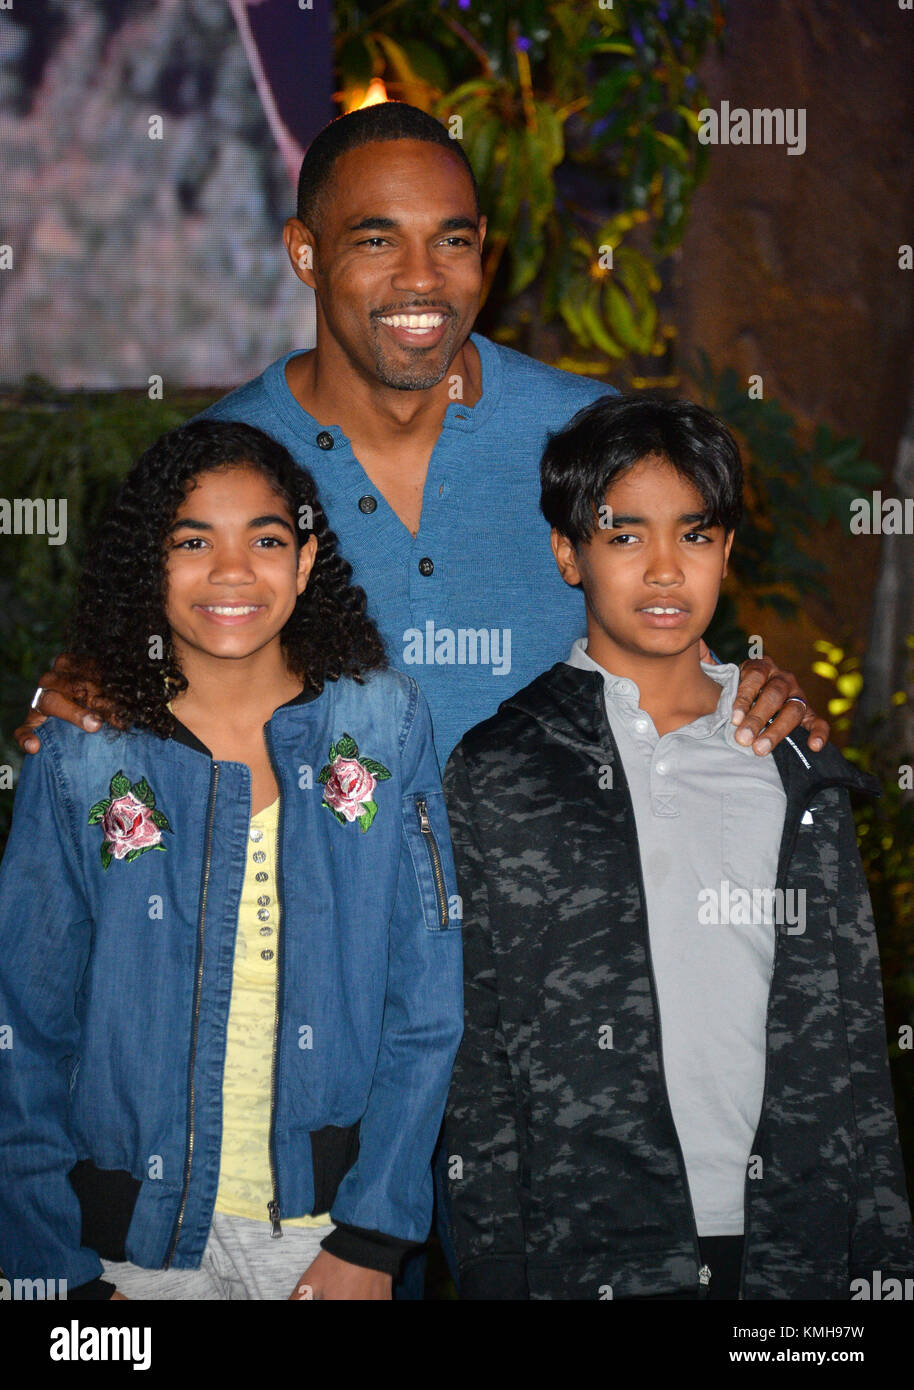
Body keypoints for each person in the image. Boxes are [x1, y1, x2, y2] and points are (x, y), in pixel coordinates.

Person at [11, 102, 829, 1298]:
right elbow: (136, 683)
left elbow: (675, 619)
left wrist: (751, 683)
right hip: (316, 1044)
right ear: (303, 254)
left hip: (568, 1022)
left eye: (451, 240)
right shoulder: (224, 466)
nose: (420, 278)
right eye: (374, 239)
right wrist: (72, 687)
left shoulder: (581, 436)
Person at [443, 393, 914, 1300]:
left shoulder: (790, 756)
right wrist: (495, 1264)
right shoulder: (502, 763)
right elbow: (479, 1047)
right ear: (567, 552)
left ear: (728, 550)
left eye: (694, 536)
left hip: (790, 1241)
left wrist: (881, 1257)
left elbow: (854, 1034)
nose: (665, 570)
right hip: (585, 1244)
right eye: (625, 537)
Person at [0, 419, 463, 1301]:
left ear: (304, 558)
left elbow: (426, 1006)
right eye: (191, 541)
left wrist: (373, 1240)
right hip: (124, 1250)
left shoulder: (380, 725)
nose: (231, 571)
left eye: (265, 538)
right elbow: (22, 1029)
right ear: (150, 563)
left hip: (324, 1235)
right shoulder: (84, 756)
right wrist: (49, 1269)